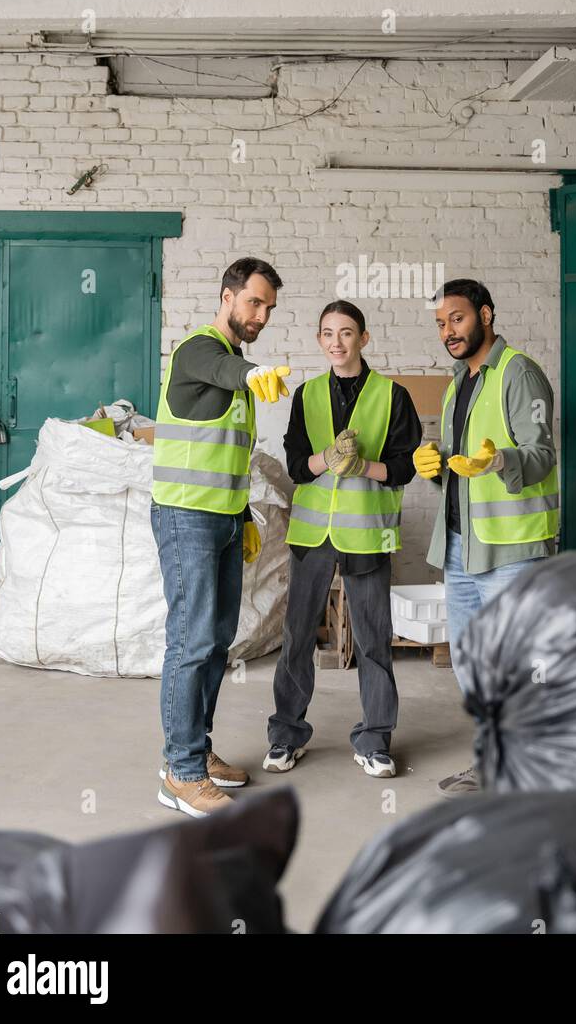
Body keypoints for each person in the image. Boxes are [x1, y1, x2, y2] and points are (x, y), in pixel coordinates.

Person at [153, 257, 290, 817]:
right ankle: (180, 773)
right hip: (187, 518)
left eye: (269, 309)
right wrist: (254, 373)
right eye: (254, 302)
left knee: (216, 639)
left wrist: (243, 520)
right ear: (228, 295)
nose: (261, 315)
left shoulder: (232, 362)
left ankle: (197, 751)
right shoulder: (199, 350)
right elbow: (224, 369)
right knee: (190, 642)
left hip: (223, 520)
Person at [413, 278, 558, 796]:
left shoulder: (518, 373)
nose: (448, 331)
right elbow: (461, 469)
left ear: (486, 315)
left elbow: (542, 455)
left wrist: (500, 459)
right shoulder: (457, 383)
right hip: (460, 545)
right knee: (470, 662)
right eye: (440, 323)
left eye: (457, 318)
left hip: (512, 548)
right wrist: (432, 468)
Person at [264, 300, 421, 779]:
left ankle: (375, 740)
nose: (337, 342)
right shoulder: (306, 395)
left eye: (347, 332)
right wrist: (326, 458)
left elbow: (405, 467)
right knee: (296, 638)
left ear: (364, 339)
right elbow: (295, 466)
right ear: (319, 340)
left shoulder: (392, 395)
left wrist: (362, 467)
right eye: (328, 333)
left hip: (366, 535)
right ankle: (286, 735)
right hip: (313, 535)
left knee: (373, 640)